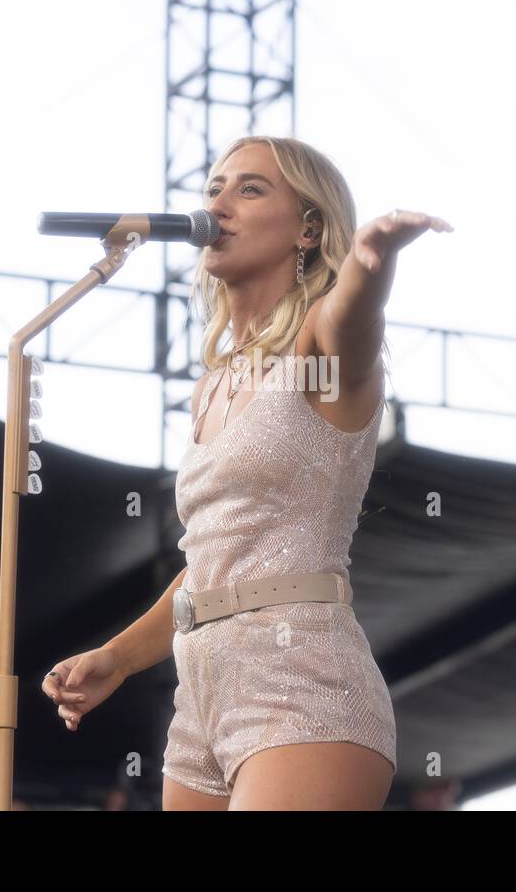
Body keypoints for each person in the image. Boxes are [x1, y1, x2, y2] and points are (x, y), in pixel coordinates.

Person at [42, 135, 450, 810]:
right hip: (201, 695)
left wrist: (370, 267)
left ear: (309, 228)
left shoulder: (318, 347)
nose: (219, 202)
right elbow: (215, 565)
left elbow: (353, 323)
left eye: (250, 189)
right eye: (213, 188)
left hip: (302, 682)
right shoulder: (213, 385)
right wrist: (116, 655)